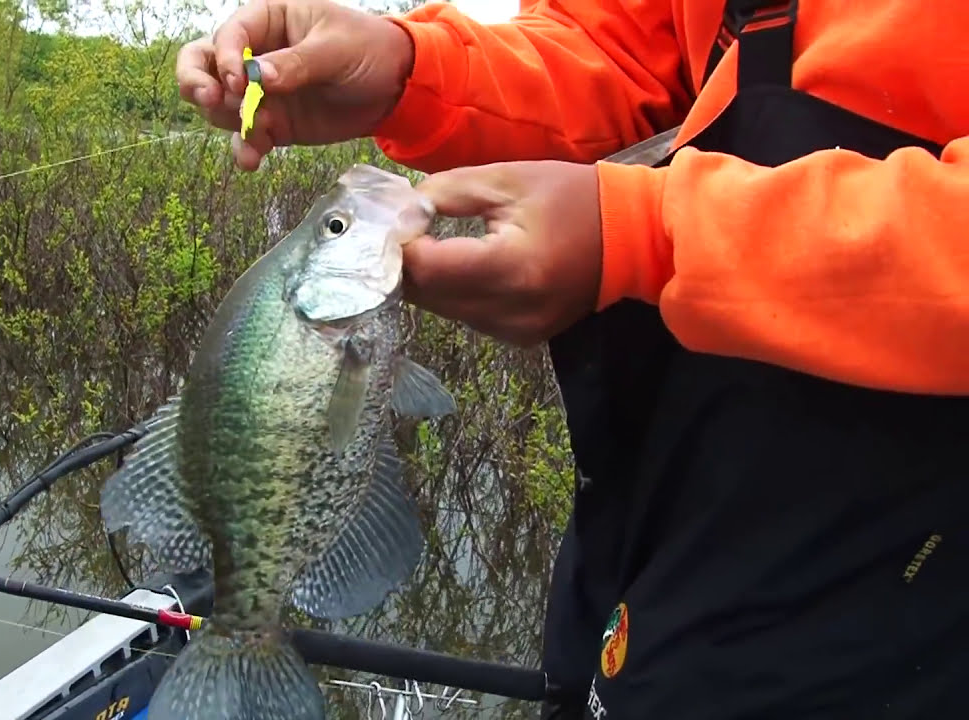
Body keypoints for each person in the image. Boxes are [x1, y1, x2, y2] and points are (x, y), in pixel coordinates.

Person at [177, 1, 969, 718]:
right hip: (669, 519)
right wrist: (414, 73)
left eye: (336, 232)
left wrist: (645, 236)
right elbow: (617, 55)